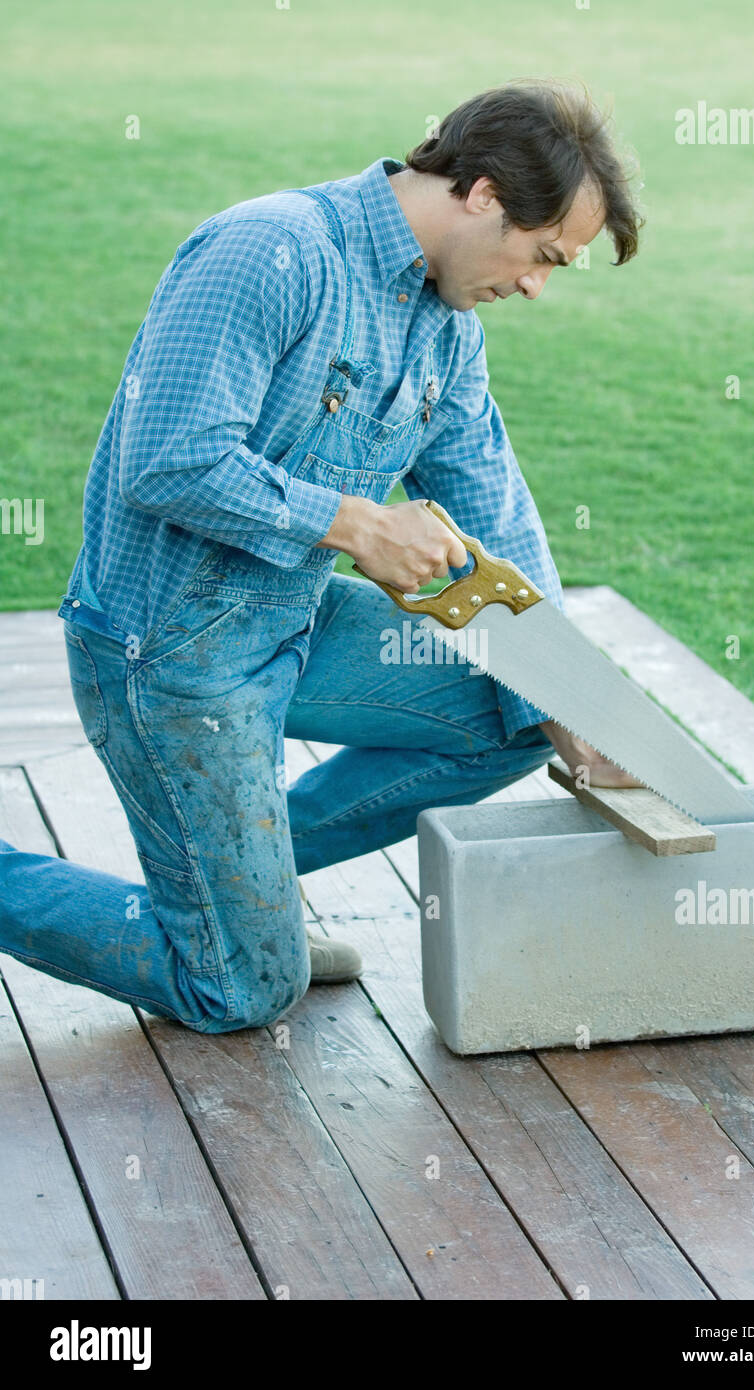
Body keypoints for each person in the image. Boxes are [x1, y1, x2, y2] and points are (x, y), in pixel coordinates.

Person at [0, 79, 643, 1033]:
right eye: (542, 254)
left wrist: (569, 703)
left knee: (516, 711)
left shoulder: (447, 327)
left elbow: (494, 511)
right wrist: (358, 526)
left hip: (291, 618)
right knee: (242, 991)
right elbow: (167, 459)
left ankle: (227, 886)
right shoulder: (269, 250)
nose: (538, 285)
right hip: (167, 651)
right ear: (481, 194)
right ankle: (225, 916)